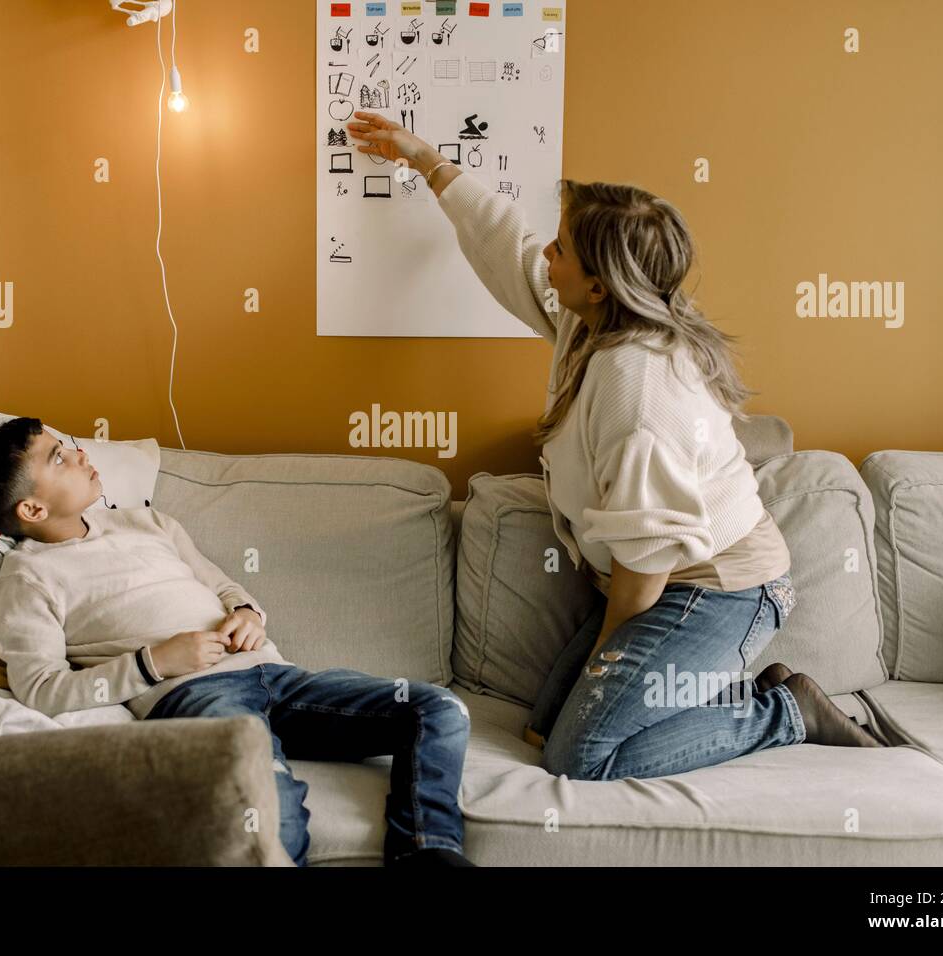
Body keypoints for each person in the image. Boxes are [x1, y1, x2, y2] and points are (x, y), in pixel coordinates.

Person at [348, 111, 882, 782]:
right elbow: (507, 247)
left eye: (562, 248)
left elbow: (646, 565)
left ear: (599, 283)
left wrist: (604, 666)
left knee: (579, 754)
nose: (548, 254)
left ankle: (787, 712)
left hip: (716, 591)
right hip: (655, 586)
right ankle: (709, 692)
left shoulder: (641, 392)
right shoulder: (592, 320)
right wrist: (424, 159)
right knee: (542, 727)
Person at [0, 417, 476, 866]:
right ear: (33, 511)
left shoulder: (147, 522)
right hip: (198, 697)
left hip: (273, 673)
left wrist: (248, 612)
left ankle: (427, 854)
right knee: (266, 801)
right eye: (59, 458)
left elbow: (221, 584)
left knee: (437, 708)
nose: (81, 453)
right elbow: (40, 687)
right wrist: (153, 663)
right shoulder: (27, 577)